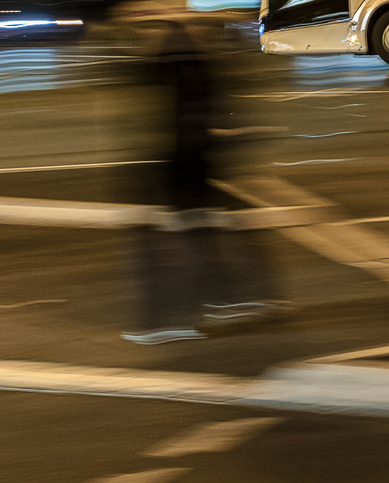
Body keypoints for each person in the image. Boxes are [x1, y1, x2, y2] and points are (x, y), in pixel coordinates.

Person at [121, 17, 283, 344]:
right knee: (198, 237)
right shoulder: (195, 65)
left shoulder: (175, 63)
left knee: (178, 240)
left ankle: (181, 314)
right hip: (192, 163)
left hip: (182, 165)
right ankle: (225, 300)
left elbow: (179, 115)